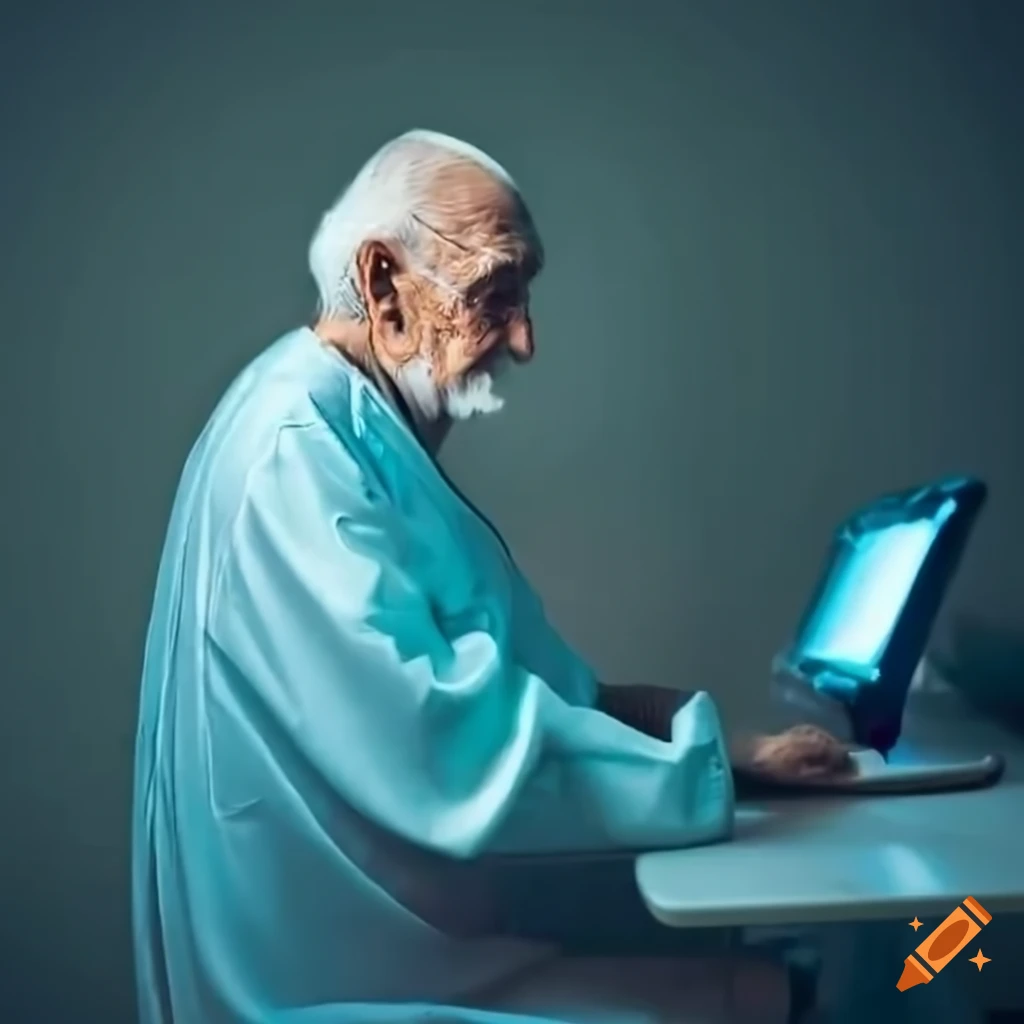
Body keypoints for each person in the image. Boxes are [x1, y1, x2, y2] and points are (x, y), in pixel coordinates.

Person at [131, 130, 852, 1024]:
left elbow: (511, 677)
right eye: (493, 292)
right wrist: (696, 766)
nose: (524, 337)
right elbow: (436, 737)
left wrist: (714, 753)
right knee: (804, 986)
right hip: (351, 985)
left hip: (417, 939)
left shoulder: (346, 427)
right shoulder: (295, 451)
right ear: (383, 285)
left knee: (781, 973)